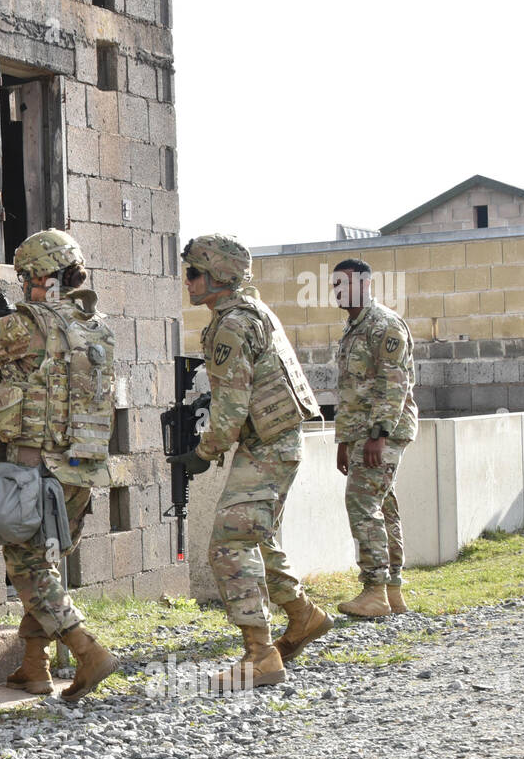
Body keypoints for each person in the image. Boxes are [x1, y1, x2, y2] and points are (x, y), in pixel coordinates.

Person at [0, 229, 121, 703]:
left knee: (29, 570)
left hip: (33, 471)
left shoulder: (28, 324)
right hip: (80, 469)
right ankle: (34, 667)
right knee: (45, 564)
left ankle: (87, 649)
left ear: (42, 279)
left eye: (27, 280)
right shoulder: (97, 327)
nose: (24, 289)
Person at [169, 234, 331, 690]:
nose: (189, 282)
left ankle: (260, 655)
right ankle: (302, 616)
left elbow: (231, 410)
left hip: (266, 448)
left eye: (195, 273)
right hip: (278, 443)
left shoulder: (232, 324)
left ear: (219, 275)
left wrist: (202, 453)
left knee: (229, 544)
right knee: (254, 538)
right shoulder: (254, 312)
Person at [332, 257, 417, 616]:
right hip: (361, 434)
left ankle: (374, 590)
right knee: (384, 506)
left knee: (362, 504)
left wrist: (378, 435)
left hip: (383, 432)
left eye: (346, 283)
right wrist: (343, 441)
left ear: (366, 285)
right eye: (335, 284)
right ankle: (392, 592)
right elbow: (351, 391)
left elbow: (393, 385)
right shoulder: (354, 329)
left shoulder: (383, 325)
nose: (339, 291)